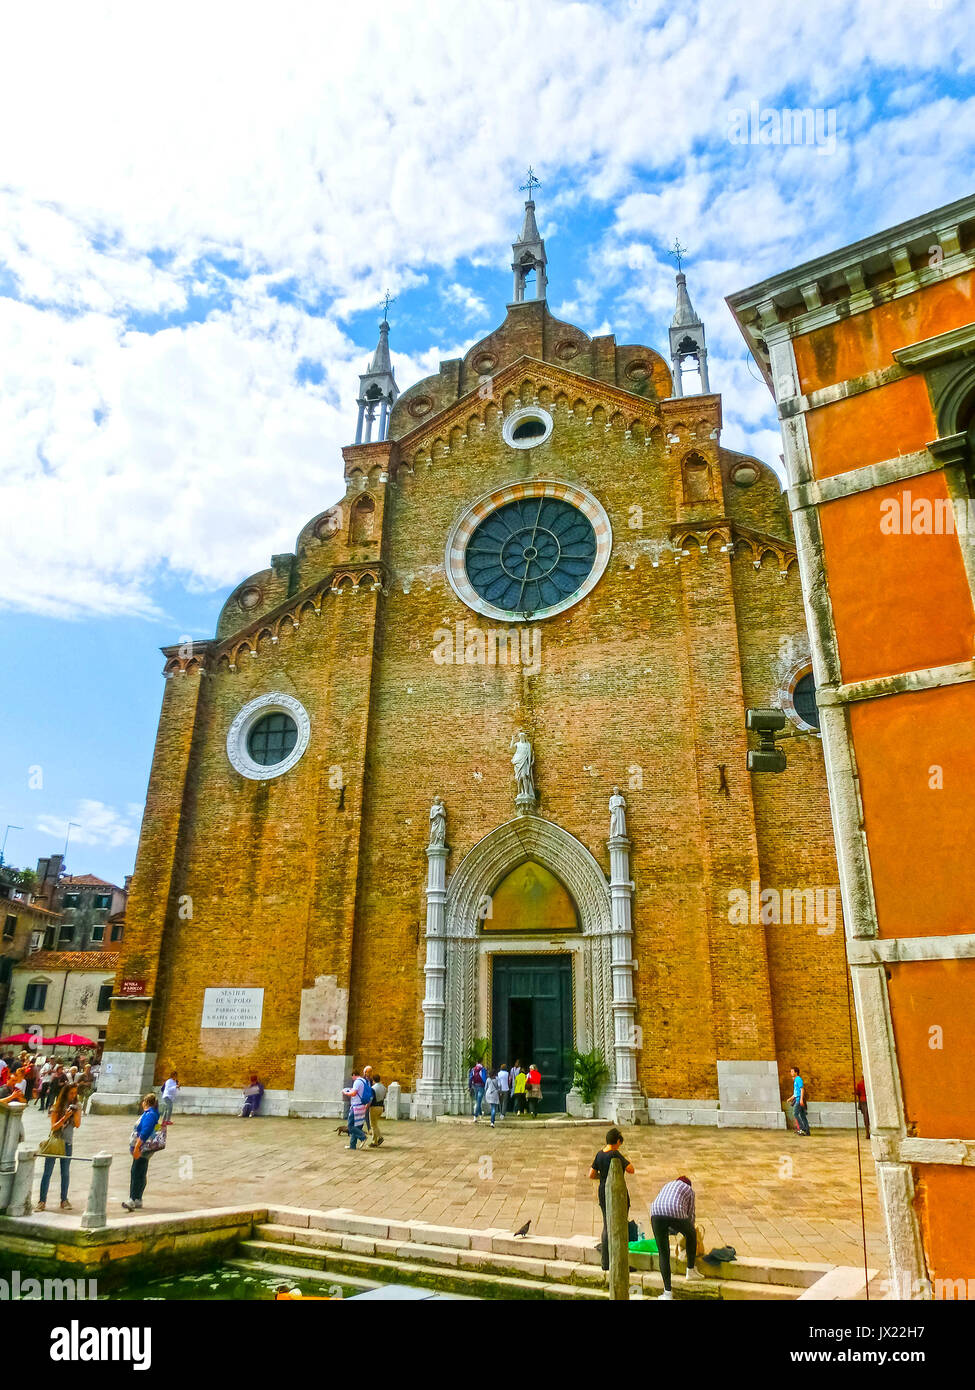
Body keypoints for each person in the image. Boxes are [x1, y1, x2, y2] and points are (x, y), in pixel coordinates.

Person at [650, 1175, 704, 1299]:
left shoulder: (667, 1185)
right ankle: (690, 1270)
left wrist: (672, 1230)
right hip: (674, 1211)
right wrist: (689, 1233)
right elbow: (690, 1216)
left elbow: (665, 1211)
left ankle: (667, 1293)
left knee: (663, 1253)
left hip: (655, 1212)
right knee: (691, 1234)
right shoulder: (689, 1190)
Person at [589, 1127, 635, 1272]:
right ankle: (619, 1262)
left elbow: (591, 1174)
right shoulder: (615, 1154)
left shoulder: (599, 1154)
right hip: (617, 1194)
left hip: (603, 1191)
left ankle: (605, 1262)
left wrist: (603, 1178)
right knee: (619, 1227)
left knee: (606, 1226)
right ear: (617, 1141)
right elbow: (631, 1169)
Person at [37, 1082, 82, 1211]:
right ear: (66, 1093)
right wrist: (65, 1117)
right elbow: (54, 1126)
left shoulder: (77, 1105)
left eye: (75, 1093)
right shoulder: (58, 1105)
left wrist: (75, 1113)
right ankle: (42, 1201)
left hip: (68, 1142)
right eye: (71, 1093)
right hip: (56, 1140)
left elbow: (78, 1125)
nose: (73, 1095)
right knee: (47, 1172)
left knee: (65, 1173)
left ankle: (64, 1200)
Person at [122, 1093, 159, 1211]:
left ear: (145, 1102)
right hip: (145, 1148)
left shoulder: (149, 1115)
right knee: (140, 1171)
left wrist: (137, 1147)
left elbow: (145, 1132)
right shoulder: (152, 1114)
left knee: (136, 1172)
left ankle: (132, 1199)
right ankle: (137, 1199)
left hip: (142, 1149)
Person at [342, 1072, 370, 1150]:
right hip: (362, 1105)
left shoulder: (357, 1082)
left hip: (356, 1107)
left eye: (352, 1077)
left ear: (354, 1075)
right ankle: (352, 1145)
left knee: (350, 1126)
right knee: (357, 1126)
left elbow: (354, 1093)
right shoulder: (364, 1081)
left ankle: (363, 1137)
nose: (352, 1078)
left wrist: (346, 1092)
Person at [789, 1066, 810, 1136]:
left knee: (795, 1113)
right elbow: (796, 1093)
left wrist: (801, 1099)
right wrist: (790, 1098)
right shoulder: (796, 1080)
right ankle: (807, 1131)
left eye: (792, 1071)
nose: (791, 1073)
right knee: (802, 1115)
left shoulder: (798, 1079)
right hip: (798, 1099)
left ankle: (802, 1129)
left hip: (799, 1100)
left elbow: (802, 1089)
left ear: (796, 1072)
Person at [368, 1073, 386, 1147]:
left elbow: (371, 1099)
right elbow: (384, 1098)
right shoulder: (384, 1087)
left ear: (373, 1080)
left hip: (374, 1107)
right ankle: (374, 1142)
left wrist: (367, 1106)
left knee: (373, 1125)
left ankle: (380, 1137)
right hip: (381, 1107)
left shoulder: (373, 1088)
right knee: (375, 1124)